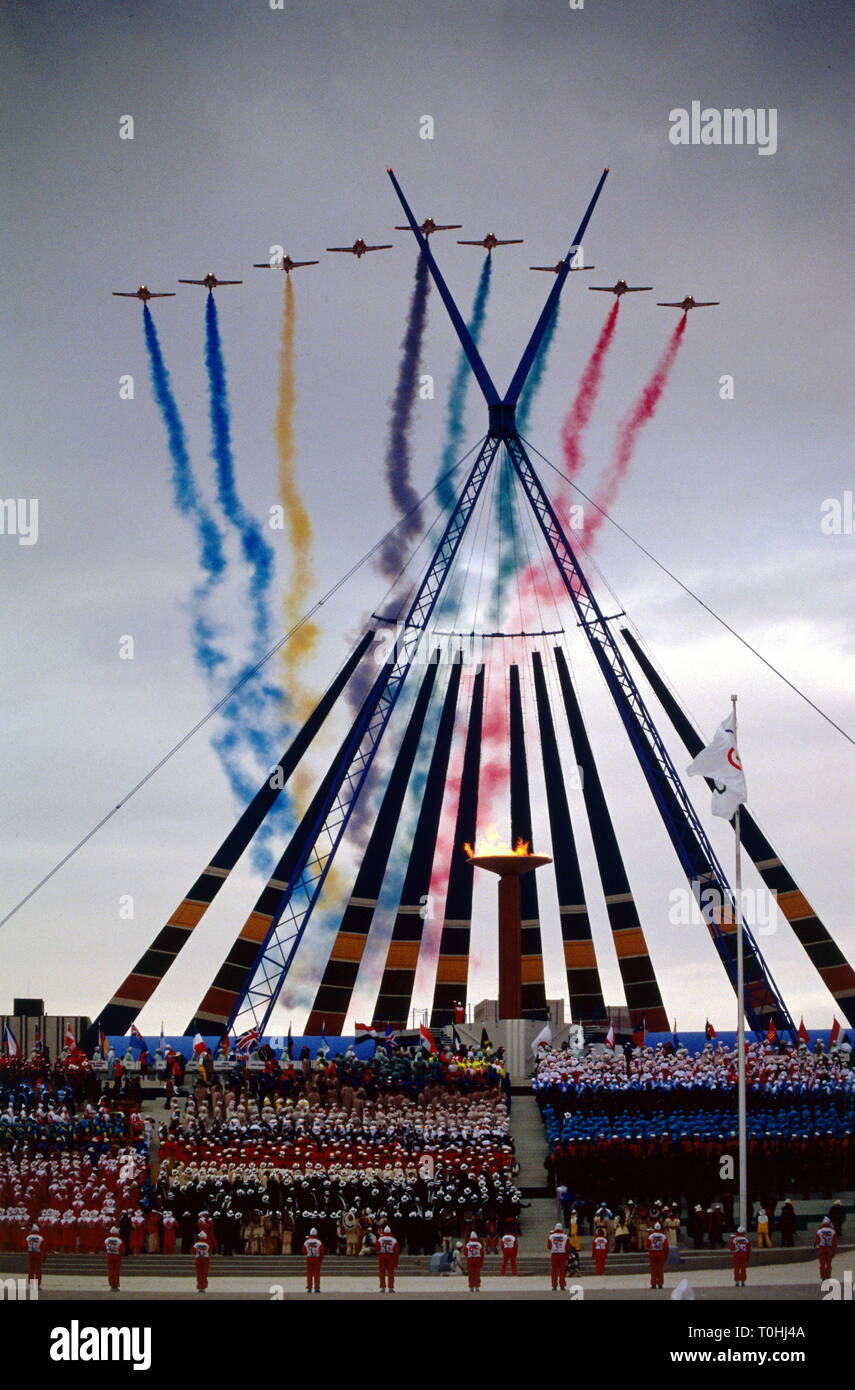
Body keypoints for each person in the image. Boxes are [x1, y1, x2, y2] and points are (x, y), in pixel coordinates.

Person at [376, 1225, 400, 1293]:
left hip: (382, 1256)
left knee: (382, 1273)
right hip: (390, 1257)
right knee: (391, 1273)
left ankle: (383, 1287)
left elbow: (377, 1249)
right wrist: (396, 1261)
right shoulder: (394, 1240)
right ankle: (390, 1287)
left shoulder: (380, 1239)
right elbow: (396, 1251)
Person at [646, 1221, 669, 1289]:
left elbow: (647, 1245)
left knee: (653, 1270)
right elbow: (666, 1247)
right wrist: (666, 1256)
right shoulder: (663, 1236)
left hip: (653, 1254)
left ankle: (653, 1284)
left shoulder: (651, 1236)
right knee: (660, 1270)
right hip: (661, 1254)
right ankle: (660, 1284)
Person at [547, 1223, 570, 1291]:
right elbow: (568, 1248)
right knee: (562, 1271)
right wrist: (567, 1258)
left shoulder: (551, 1236)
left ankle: (554, 1286)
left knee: (554, 1271)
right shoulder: (565, 1236)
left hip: (554, 1254)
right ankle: (562, 1285)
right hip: (562, 1254)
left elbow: (548, 1247)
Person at [303, 1226, 325, 1294]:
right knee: (317, 1275)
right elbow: (322, 1252)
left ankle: (309, 1288)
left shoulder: (306, 1242)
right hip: (316, 1258)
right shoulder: (319, 1242)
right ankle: (317, 1288)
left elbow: (303, 1251)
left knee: (309, 1274)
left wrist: (307, 1254)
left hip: (309, 1258)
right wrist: (321, 1259)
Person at [104, 1227, 124, 1292]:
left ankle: (111, 1284)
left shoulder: (107, 1240)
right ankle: (115, 1285)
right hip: (117, 1256)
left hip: (109, 1256)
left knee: (110, 1271)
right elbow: (122, 1250)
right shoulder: (119, 1240)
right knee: (116, 1272)